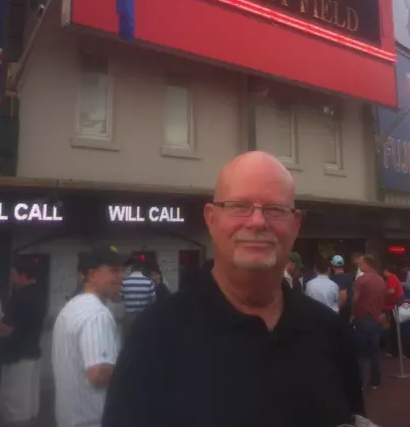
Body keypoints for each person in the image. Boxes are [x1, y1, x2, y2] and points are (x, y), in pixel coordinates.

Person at [103, 151, 364, 427]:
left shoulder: (328, 331)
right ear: (211, 218)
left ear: (295, 224)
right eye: (239, 206)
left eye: (275, 209)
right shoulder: (155, 335)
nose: (257, 222)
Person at [52, 245, 121, 427]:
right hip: (92, 419)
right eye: (113, 271)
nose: (120, 277)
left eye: (121, 271)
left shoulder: (72, 307)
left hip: (70, 416)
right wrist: (132, 368)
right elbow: (98, 374)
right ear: (92, 275)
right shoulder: (97, 314)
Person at [0, 256, 46, 426]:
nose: (11, 277)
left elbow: (7, 328)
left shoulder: (19, 296)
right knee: (30, 405)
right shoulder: (40, 294)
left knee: (14, 406)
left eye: (13, 273)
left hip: (16, 355)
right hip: (33, 352)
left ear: (23, 274)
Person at [352, 254, 386, 389]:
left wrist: (352, 314)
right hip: (376, 319)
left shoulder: (361, 280)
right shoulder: (380, 280)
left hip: (362, 319)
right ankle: (375, 381)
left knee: (360, 353)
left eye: (362, 263)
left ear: (367, 264)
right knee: (374, 352)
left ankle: (359, 382)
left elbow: (355, 299)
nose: (360, 265)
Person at [382, 265, 410, 359]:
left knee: (398, 330)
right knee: (395, 330)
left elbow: (391, 291)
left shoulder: (391, 277)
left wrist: (381, 293)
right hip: (394, 306)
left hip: (395, 307)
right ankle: (396, 351)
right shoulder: (394, 278)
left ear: (386, 270)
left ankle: (404, 352)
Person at [120, 258, 156, 334]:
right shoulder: (149, 282)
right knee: (142, 337)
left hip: (128, 316)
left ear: (131, 270)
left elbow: (120, 298)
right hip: (143, 317)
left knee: (127, 337)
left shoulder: (124, 282)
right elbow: (153, 300)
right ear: (141, 269)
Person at [330, 255, 353, 326]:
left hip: (342, 312)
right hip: (347, 311)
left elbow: (343, 296)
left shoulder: (340, 278)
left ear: (333, 266)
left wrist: (337, 309)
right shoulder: (347, 277)